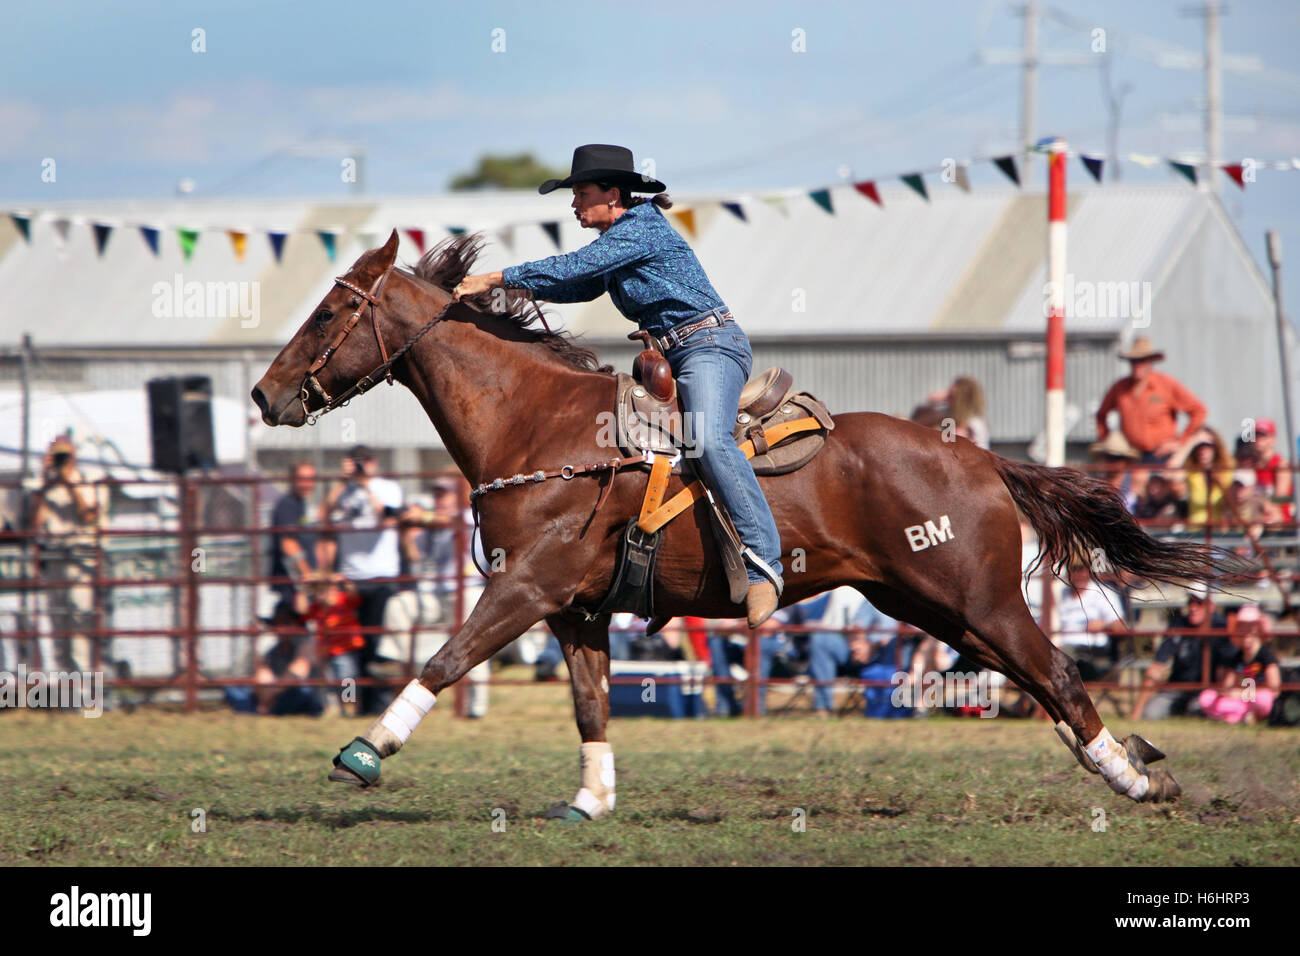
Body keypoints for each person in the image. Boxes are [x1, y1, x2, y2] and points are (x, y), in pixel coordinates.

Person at [451, 144, 782, 628]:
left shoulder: (641, 228)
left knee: (707, 438)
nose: (573, 204)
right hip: (676, 352)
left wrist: (498, 276)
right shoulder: (621, 238)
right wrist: (510, 291)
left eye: (581, 193)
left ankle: (765, 565)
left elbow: (573, 269)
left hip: (709, 345)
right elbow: (577, 286)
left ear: (613, 193)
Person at [318, 445, 403, 714]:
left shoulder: (387, 488)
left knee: (377, 644)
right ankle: (356, 704)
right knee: (351, 644)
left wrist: (365, 485)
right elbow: (324, 516)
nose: (358, 467)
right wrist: (343, 483)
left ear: (373, 463)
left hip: (381, 576)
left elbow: (385, 518)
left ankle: (377, 705)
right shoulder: (342, 491)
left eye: (363, 462)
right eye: (354, 462)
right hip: (350, 578)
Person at [29, 435, 107, 673]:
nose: (61, 460)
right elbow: (35, 524)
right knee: (58, 622)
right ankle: (67, 691)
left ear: (75, 456)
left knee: (80, 618)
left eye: (65, 455)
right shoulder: (44, 488)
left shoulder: (88, 480)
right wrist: (45, 483)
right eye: (57, 455)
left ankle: (86, 688)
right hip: (54, 556)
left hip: (80, 555)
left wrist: (68, 482)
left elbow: (88, 515)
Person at [1095, 336, 1207, 465]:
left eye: (1142, 360)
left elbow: (1199, 411)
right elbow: (1101, 415)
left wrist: (1180, 442)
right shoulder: (1120, 388)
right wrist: (1108, 441)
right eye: (1134, 361)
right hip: (1132, 456)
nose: (1137, 365)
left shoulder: (1166, 384)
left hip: (1162, 456)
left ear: (1150, 362)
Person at [1128, 582, 1229, 720]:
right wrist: (1136, 713)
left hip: (1206, 691)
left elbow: (1227, 669)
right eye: (1190, 602)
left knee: (1200, 709)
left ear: (1211, 606)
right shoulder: (1178, 625)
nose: (1193, 608)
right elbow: (1157, 666)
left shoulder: (1221, 627)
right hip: (1177, 688)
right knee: (1151, 713)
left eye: (1199, 603)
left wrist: (1219, 695)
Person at [1198, 604, 1281, 724]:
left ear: (1258, 628)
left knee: (1263, 699)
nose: (1245, 632)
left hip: (1256, 700)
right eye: (1242, 627)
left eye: (1250, 627)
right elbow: (1227, 686)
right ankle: (1244, 716)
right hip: (1239, 700)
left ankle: (1235, 716)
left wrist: (1244, 693)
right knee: (1206, 698)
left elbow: (1274, 689)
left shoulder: (1266, 656)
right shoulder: (1237, 656)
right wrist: (1233, 692)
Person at [267, 461, 318, 620]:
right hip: (293, 586)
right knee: (299, 637)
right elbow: (289, 545)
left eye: (311, 479)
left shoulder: (300, 504)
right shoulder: (287, 505)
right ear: (292, 479)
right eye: (302, 479)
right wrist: (305, 582)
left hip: (298, 586)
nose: (307, 484)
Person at [1166, 428, 1234, 528]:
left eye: (1208, 446)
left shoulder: (1226, 469)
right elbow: (1169, 473)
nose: (1203, 451)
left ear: (1215, 447)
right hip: (1196, 533)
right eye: (1199, 446)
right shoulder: (1192, 471)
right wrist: (1191, 442)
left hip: (1221, 532)